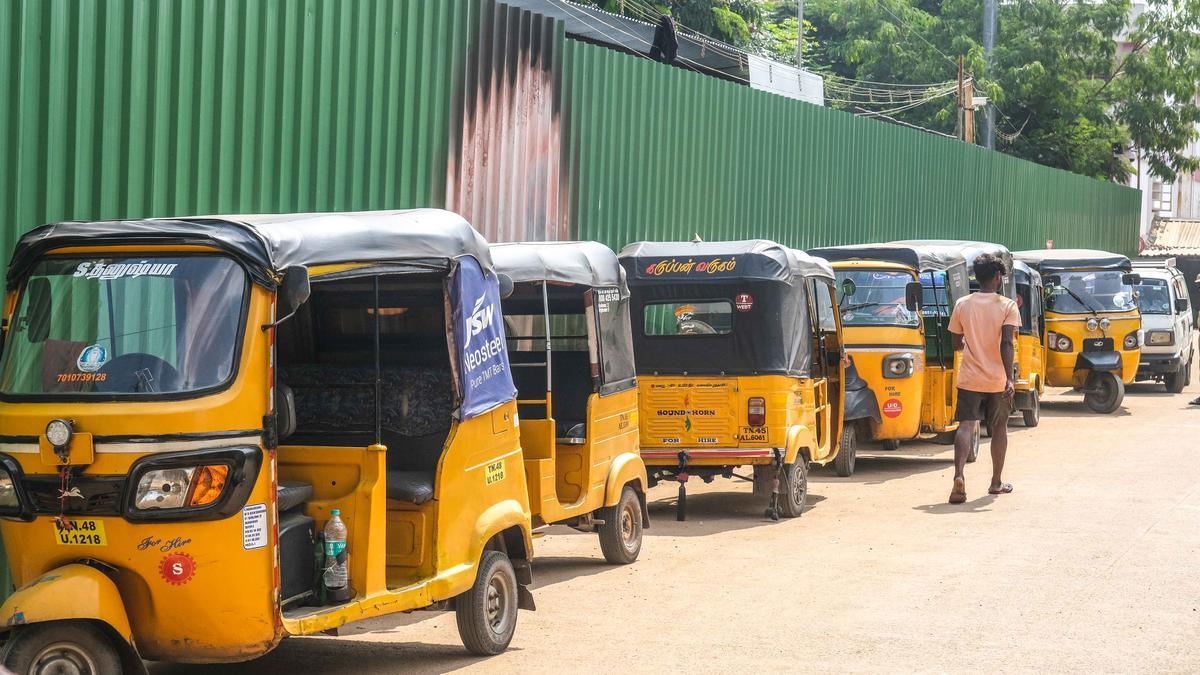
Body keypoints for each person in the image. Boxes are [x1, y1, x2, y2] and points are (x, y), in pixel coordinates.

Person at [947, 253, 1020, 504]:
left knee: (966, 425)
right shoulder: (1007, 306)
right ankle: (996, 482)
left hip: (969, 378)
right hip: (997, 380)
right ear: (998, 277)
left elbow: (956, 342)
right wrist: (1009, 379)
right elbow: (1008, 343)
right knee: (999, 428)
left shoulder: (962, 304)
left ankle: (959, 476)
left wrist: (969, 343)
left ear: (976, 276)